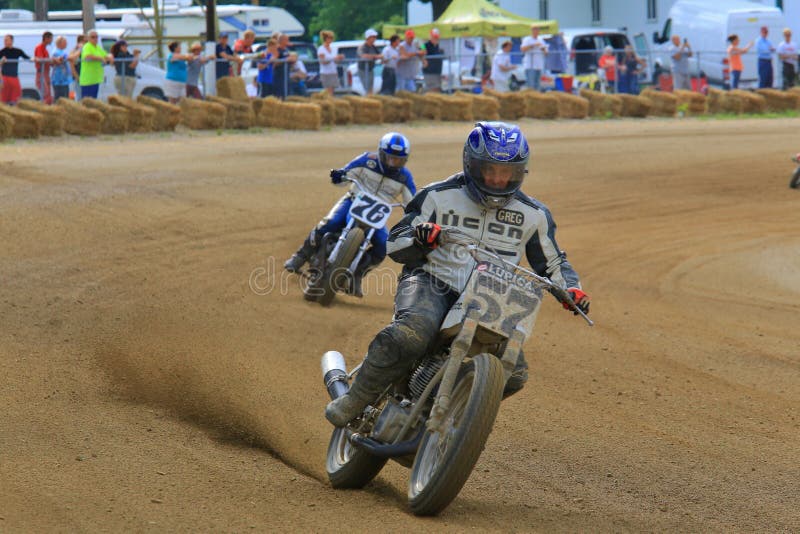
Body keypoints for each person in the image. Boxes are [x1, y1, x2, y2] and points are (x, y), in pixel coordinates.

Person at [325, 122, 590, 427]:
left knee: (513, 373)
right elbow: (396, 241)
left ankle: (446, 408)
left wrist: (573, 290)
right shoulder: (437, 195)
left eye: (507, 172)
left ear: (521, 171)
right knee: (412, 334)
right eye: (489, 169)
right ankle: (354, 399)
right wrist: (422, 238)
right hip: (433, 281)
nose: (498, 179)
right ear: (470, 163)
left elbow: (554, 263)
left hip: (490, 295)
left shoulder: (535, 215)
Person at [284, 133, 416, 298]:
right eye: (389, 157)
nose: (392, 162)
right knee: (330, 223)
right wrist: (339, 176)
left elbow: (413, 201)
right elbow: (344, 174)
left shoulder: (405, 177)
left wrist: (415, 213)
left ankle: (358, 274)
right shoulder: (367, 160)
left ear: (404, 160)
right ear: (381, 153)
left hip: (377, 214)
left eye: (397, 159)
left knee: (384, 245)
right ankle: (300, 256)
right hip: (353, 201)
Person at [79, 30, 112, 100]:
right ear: (88, 38)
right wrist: (100, 58)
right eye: (93, 37)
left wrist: (110, 56)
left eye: (96, 37)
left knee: (93, 101)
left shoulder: (97, 47)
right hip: (88, 80)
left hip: (95, 79)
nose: (95, 39)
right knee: (87, 102)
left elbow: (105, 55)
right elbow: (87, 56)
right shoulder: (87, 46)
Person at [0, 34, 30, 105]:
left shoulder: (17, 51)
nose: (5, 42)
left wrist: (34, 59)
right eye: (4, 40)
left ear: (11, 41)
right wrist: (1, 61)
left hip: (14, 77)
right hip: (5, 77)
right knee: (4, 97)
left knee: (16, 96)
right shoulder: (2, 52)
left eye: (7, 40)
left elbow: (27, 57)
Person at [521, 25, 547, 91]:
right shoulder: (527, 39)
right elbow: (523, 49)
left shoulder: (541, 39)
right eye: (534, 29)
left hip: (539, 65)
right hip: (530, 65)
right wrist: (533, 45)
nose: (536, 31)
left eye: (537, 29)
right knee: (531, 85)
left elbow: (546, 52)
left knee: (538, 85)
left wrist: (543, 49)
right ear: (532, 31)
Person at [317, 30, 343, 96]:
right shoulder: (321, 49)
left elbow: (336, 61)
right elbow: (323, 61)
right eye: (329, 38)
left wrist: (339, 58)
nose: (331, 39)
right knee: (328, 91)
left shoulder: (333, 48)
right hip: (325, 73)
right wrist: (333, 58)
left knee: (332, 90)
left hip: (333, 71)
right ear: (325, 38)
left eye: (332, 38)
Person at [357, 29, 382, 95]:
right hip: (363, 70)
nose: (375, 39)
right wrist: (375, 56)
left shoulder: (373, 47)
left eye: (375, 37)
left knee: (370, 88)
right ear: (368, 37)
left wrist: (378, 56)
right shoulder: (362, 47)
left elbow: (380, 55)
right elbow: (362, 55)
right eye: (373, 37)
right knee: (367, 88)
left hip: (370, 69)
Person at [271, 32, 295, 100]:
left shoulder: (286, 50)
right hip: (278, 76)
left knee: (287, 93)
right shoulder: (276, 49)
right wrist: (285, 60)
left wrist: (292, 60)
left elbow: (290, 60)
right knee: (279, 94)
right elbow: (273, 62)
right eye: (287, 40)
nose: (288, 41)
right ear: (282, 41)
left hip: (286, 76)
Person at [50, 36, 72, 101]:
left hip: (64, 80)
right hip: (59, 80)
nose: (66, 44)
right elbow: (70, 58)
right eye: (65, 42)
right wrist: (79, 50)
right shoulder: (57, 52)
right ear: (60, 43)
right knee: (60, 99)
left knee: (65, 98)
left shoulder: (62, 52)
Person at [34, 31, 54, 104]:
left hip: (46, 74)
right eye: (51, 38)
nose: (52, 40)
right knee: (46, 95)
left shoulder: (45, 49)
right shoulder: (39, 47)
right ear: (46, 38)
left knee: (49, 96)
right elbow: (40, 59)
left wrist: (55, 61)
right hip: (41, 74)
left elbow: (48, 61)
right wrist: (52, 60)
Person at [422, 28, 443, 93]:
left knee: (437, 88)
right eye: (434, 37)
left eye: (436, 37)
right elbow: (421, 49)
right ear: (430, 36)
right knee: (431, 89)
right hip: (429, 72)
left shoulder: (437, 46)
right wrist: (424, 60)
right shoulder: (426, 45)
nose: (435, 39)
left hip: (437, 72)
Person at [69, 35, 85, 100]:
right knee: (79, 97)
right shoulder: (75, 51)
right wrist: (77, 77)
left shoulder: (85, 50)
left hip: (85, 77)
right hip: (78, 77)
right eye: (85, 41)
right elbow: (72, 63)